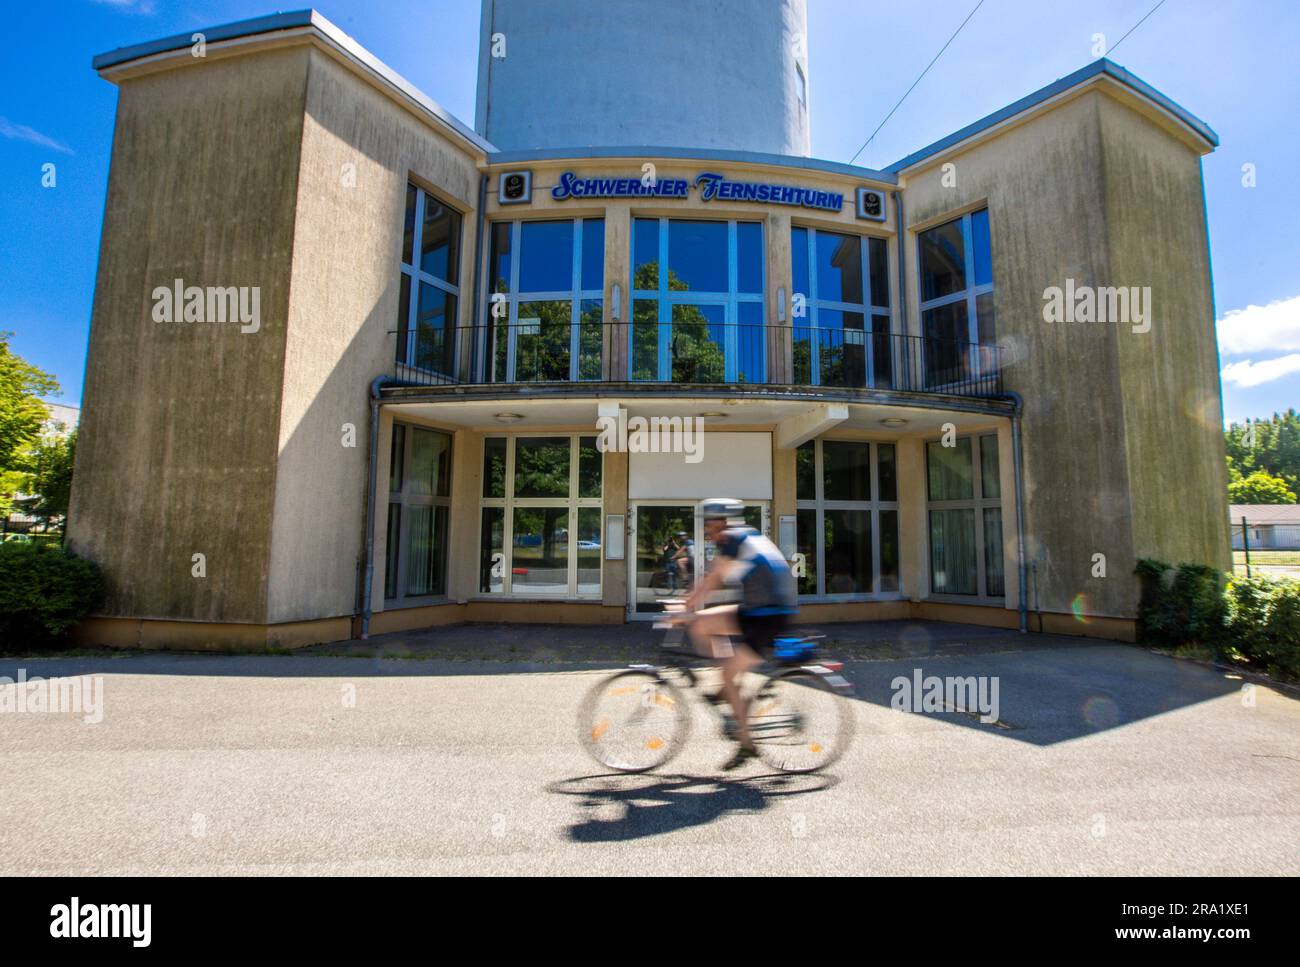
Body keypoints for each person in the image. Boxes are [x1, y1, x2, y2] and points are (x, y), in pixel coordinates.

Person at [673, 497, 798, 770]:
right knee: (703, 623)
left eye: (711, 523)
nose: (707, 529)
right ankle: (727, 684)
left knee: (728, 674)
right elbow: (716, 577)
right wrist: (691, 607)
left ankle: (746, 743)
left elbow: (714, 578)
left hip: (769, 619)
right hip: (755, 610)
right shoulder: (743, 536)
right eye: (706, 524)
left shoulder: (732, 539)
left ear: (723, 522)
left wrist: (684, 606)